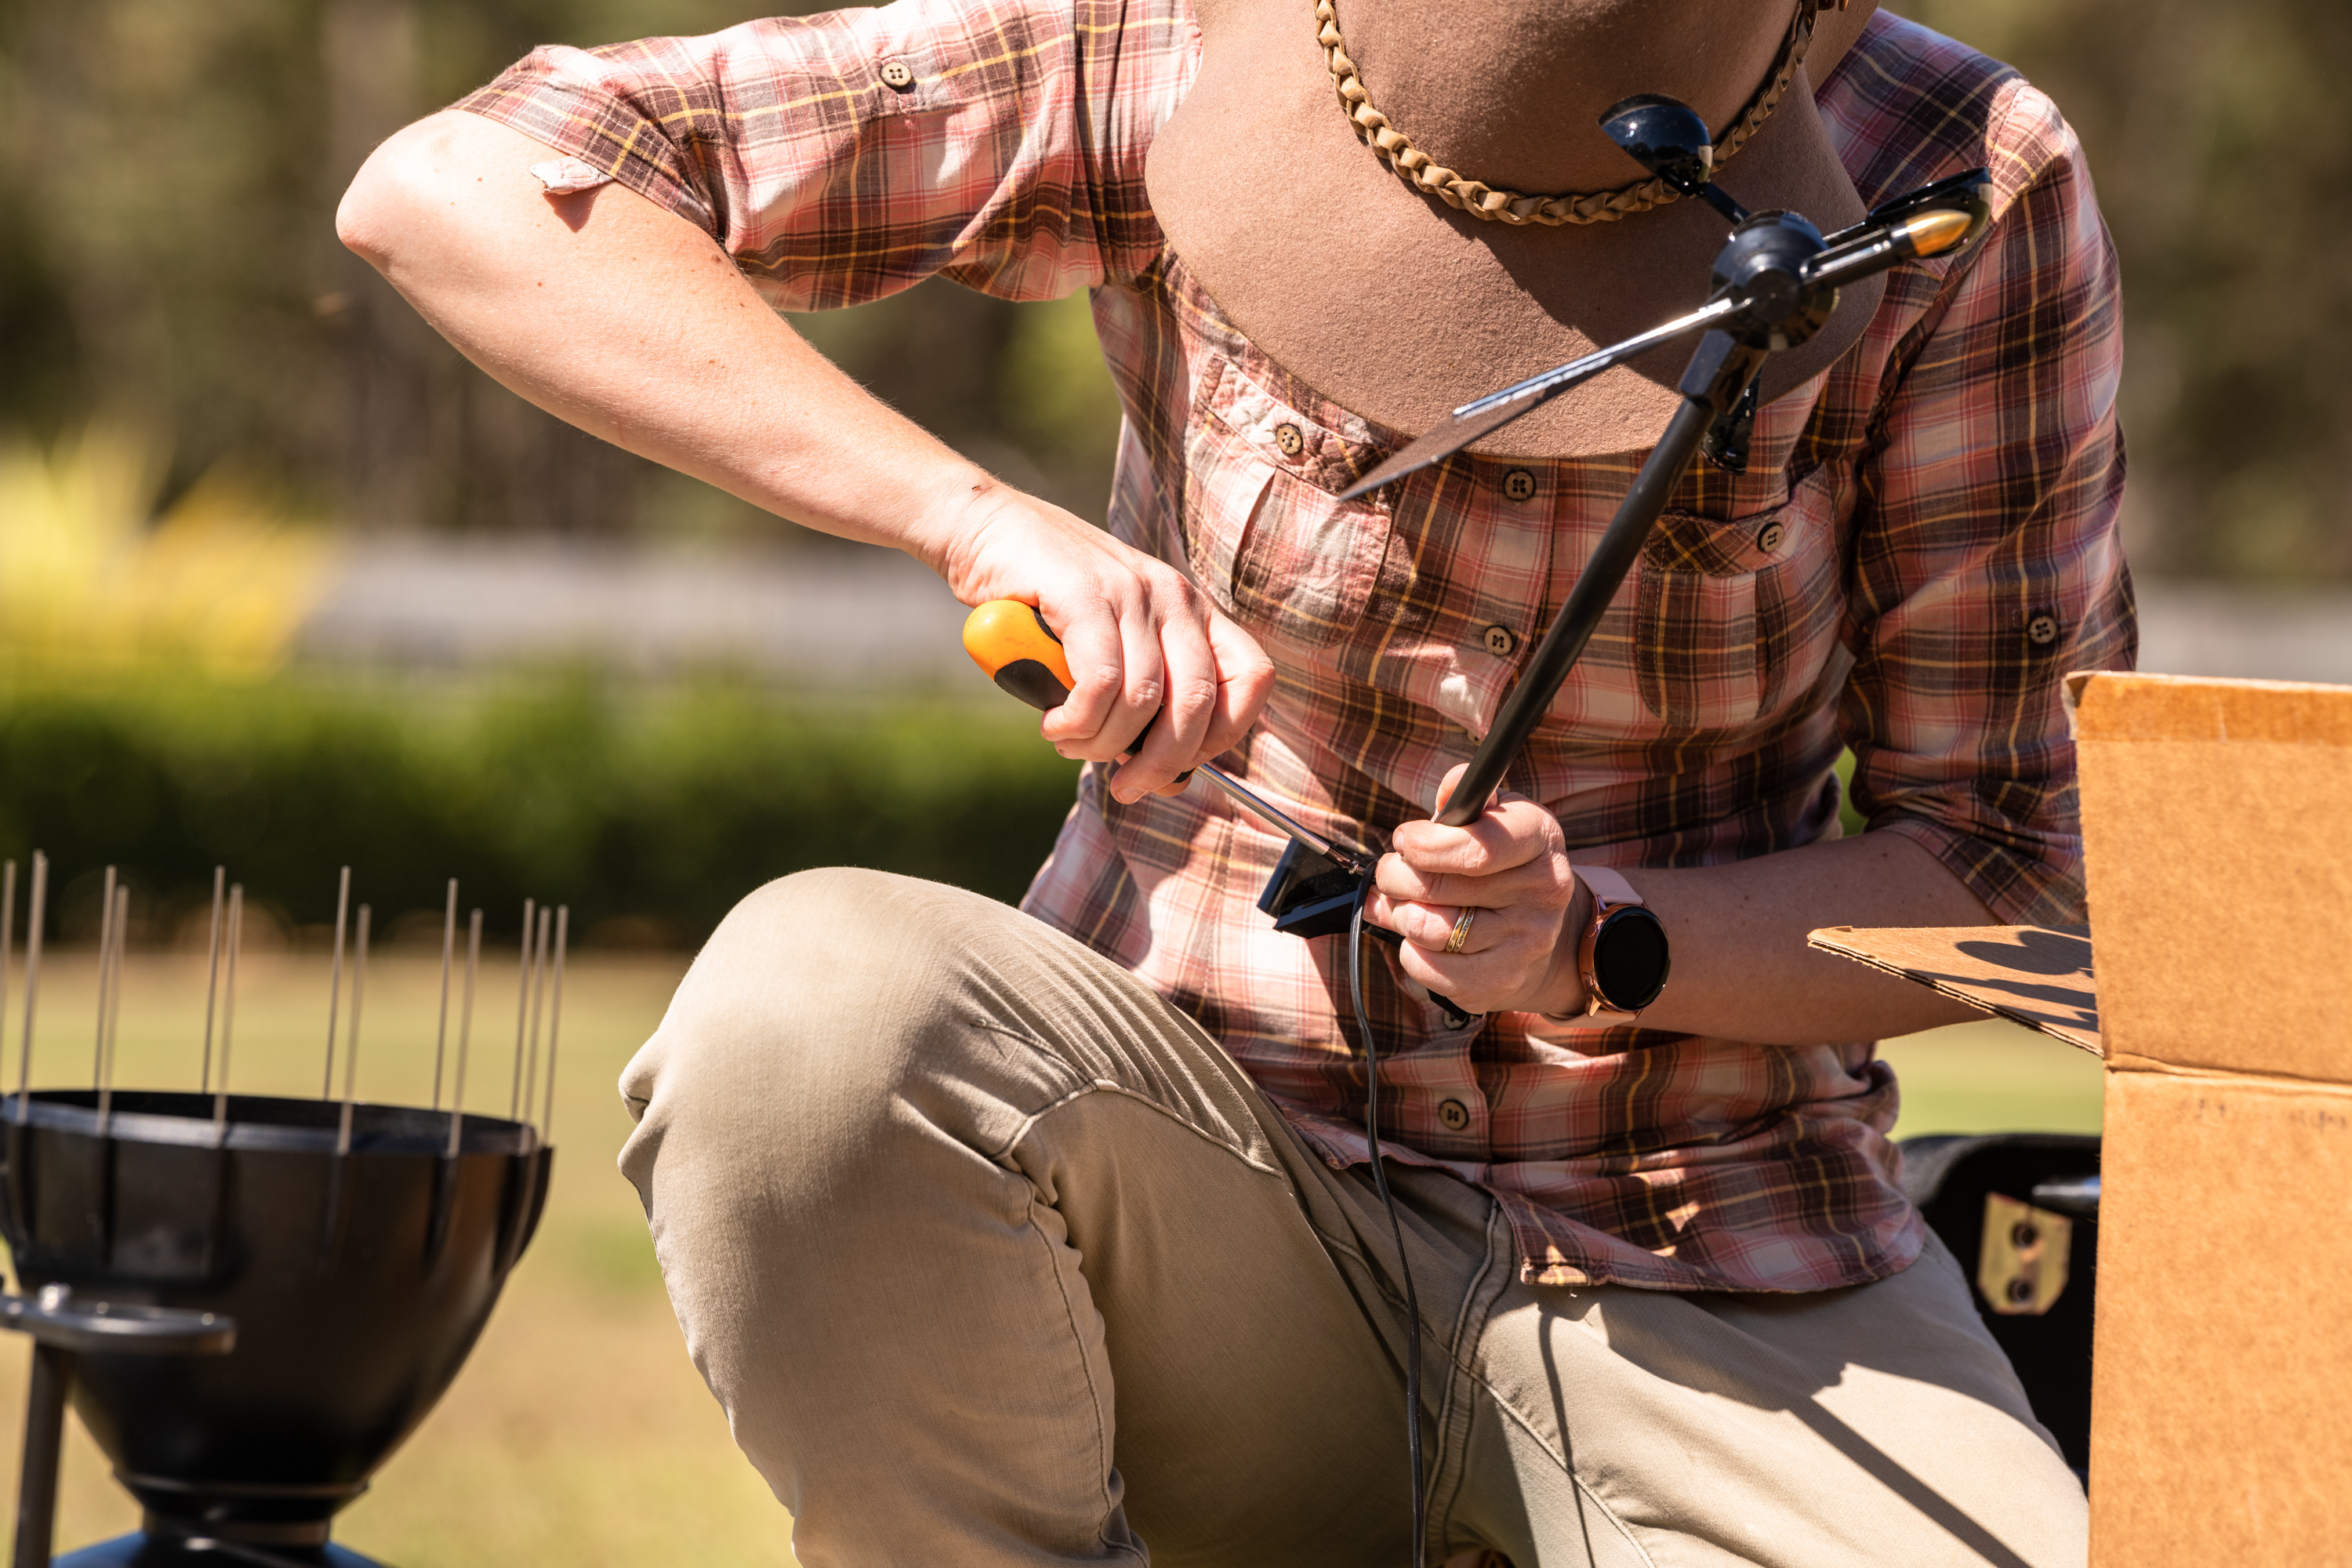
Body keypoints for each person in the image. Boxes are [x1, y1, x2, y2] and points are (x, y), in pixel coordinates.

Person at [339, 0, 2130, 1562]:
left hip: (1720, 1248)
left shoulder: (1971, 183)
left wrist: (1611, 942)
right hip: (1209, 1199)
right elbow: (459, 189)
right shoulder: (1164, 32)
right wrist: (964, 513)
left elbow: (2021, 887)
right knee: (808, 1018)